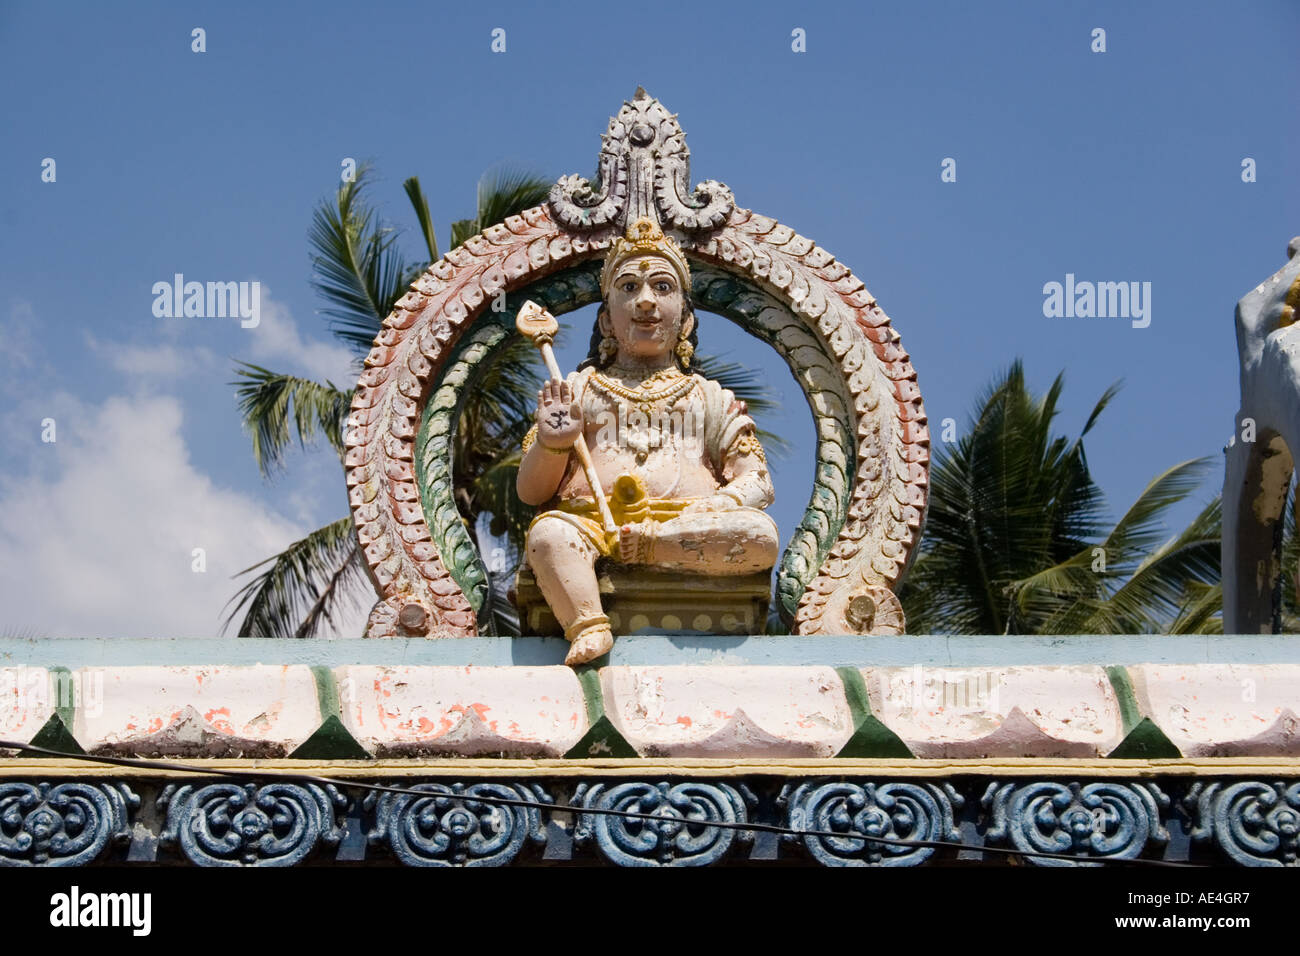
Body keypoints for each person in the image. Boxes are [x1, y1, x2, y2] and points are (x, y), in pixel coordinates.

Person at [516, 217, 778, 665]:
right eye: (629, 288)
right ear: (606, 319)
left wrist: (710, 508)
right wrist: (553, 443)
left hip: (685, 529)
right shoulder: (578, 389)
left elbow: (757, 482)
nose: (645, 302)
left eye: (661, 287)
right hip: (594, 526)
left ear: (686, 320)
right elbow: (532, 492)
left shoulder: (709, 397)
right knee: (547, 535)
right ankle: (587, 622)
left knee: (759, 535)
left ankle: (652, 545)